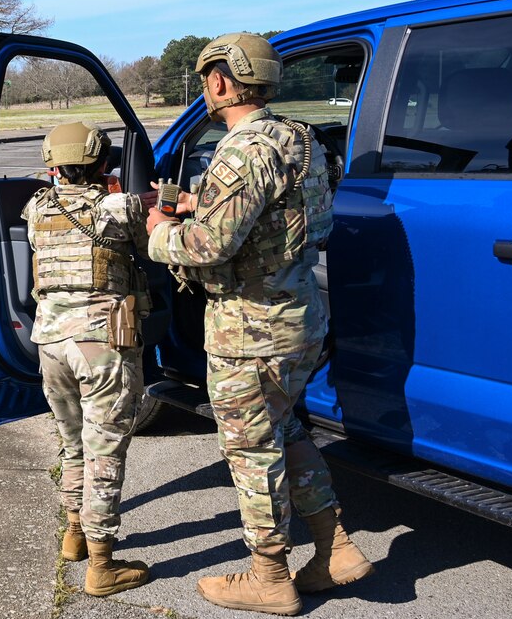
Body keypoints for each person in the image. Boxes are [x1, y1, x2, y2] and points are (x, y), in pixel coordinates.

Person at [145, 33, 372, 615]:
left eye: (206, 80)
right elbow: (296, 219)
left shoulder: (241, 149)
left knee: (251, 453)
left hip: (250, 330)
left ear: (220, 81)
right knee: (287, 432)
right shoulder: (299, 138)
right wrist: (202, 202)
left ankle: (270, 578)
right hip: (301, 319)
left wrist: (160, 232)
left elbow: (205, 246)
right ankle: (336, 549)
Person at [21, 121, 152, 597]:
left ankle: (73, 534)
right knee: (105, 452)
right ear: (103, 164)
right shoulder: (117, 208)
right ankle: (102, 565)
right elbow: (152, 245)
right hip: (103, 341)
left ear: (52, 164)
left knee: (73, 442)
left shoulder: (36, 208)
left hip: (50, 341)